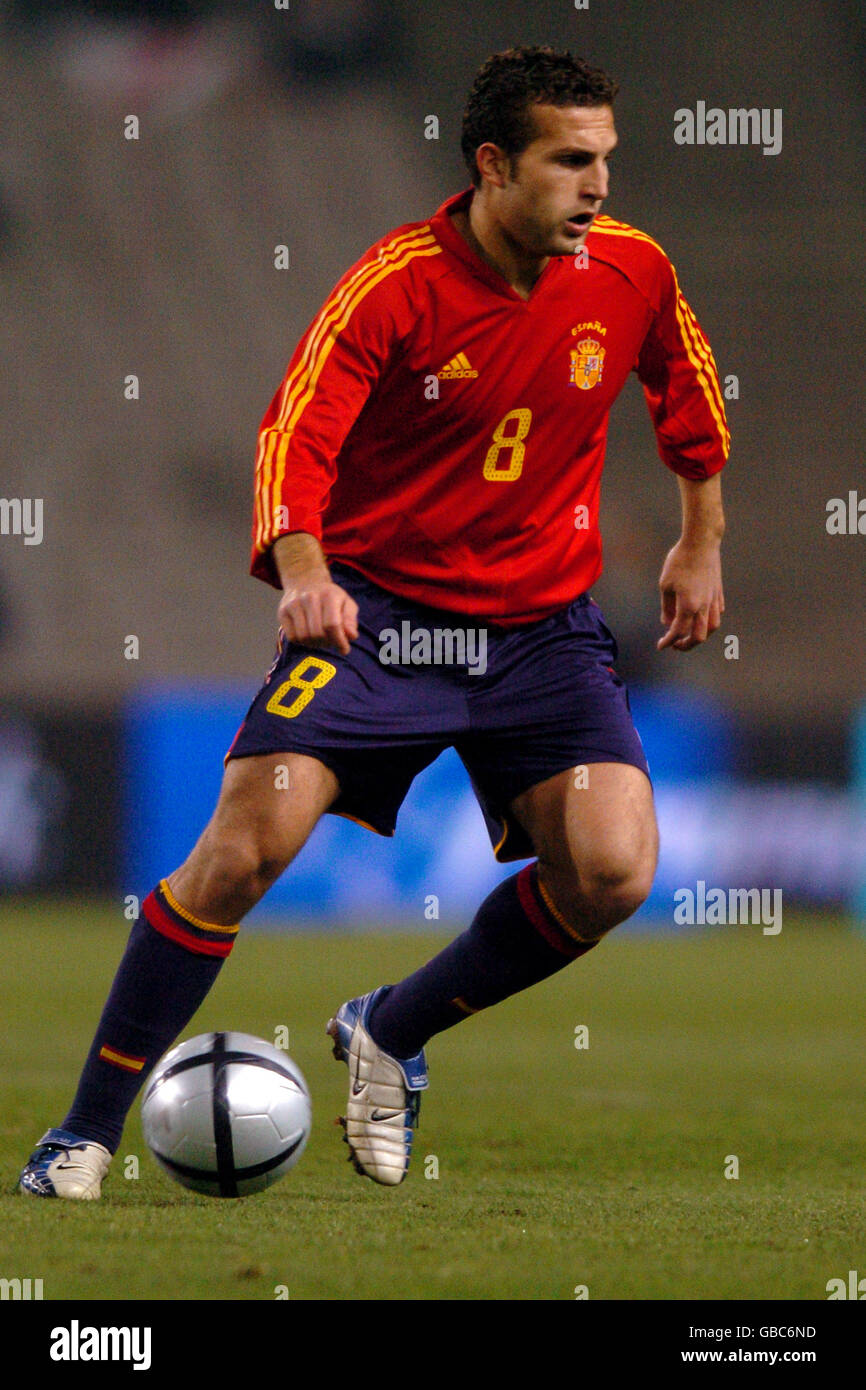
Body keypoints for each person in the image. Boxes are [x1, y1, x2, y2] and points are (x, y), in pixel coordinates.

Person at [19, 45, 728, 1196]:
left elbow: (687, 391)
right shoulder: (395, 282)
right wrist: (304, 570)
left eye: (604, 159)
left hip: (543, 630)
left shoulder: (630, 271)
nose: (596, 186)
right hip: (381, 619)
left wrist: (697, 542)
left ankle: (390, 1030)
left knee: (611, 873)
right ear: (493, 164)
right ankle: (85, 1134)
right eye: (568, 160)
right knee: (242, 853)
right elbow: (292, 437)